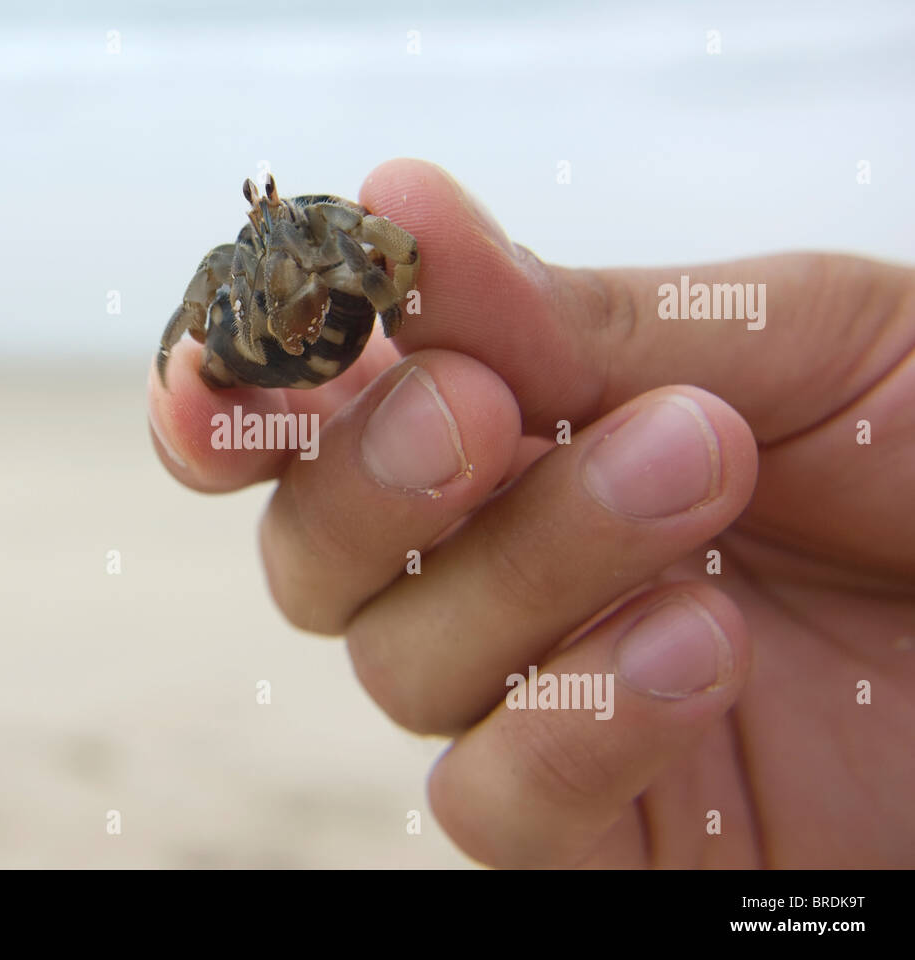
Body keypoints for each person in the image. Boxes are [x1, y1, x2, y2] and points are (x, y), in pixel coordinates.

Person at [147, 158, 914, 868]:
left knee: (441, 433)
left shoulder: (321, 230)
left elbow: (399, 248)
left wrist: (408, 301)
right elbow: (217, 294)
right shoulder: (240, 260)